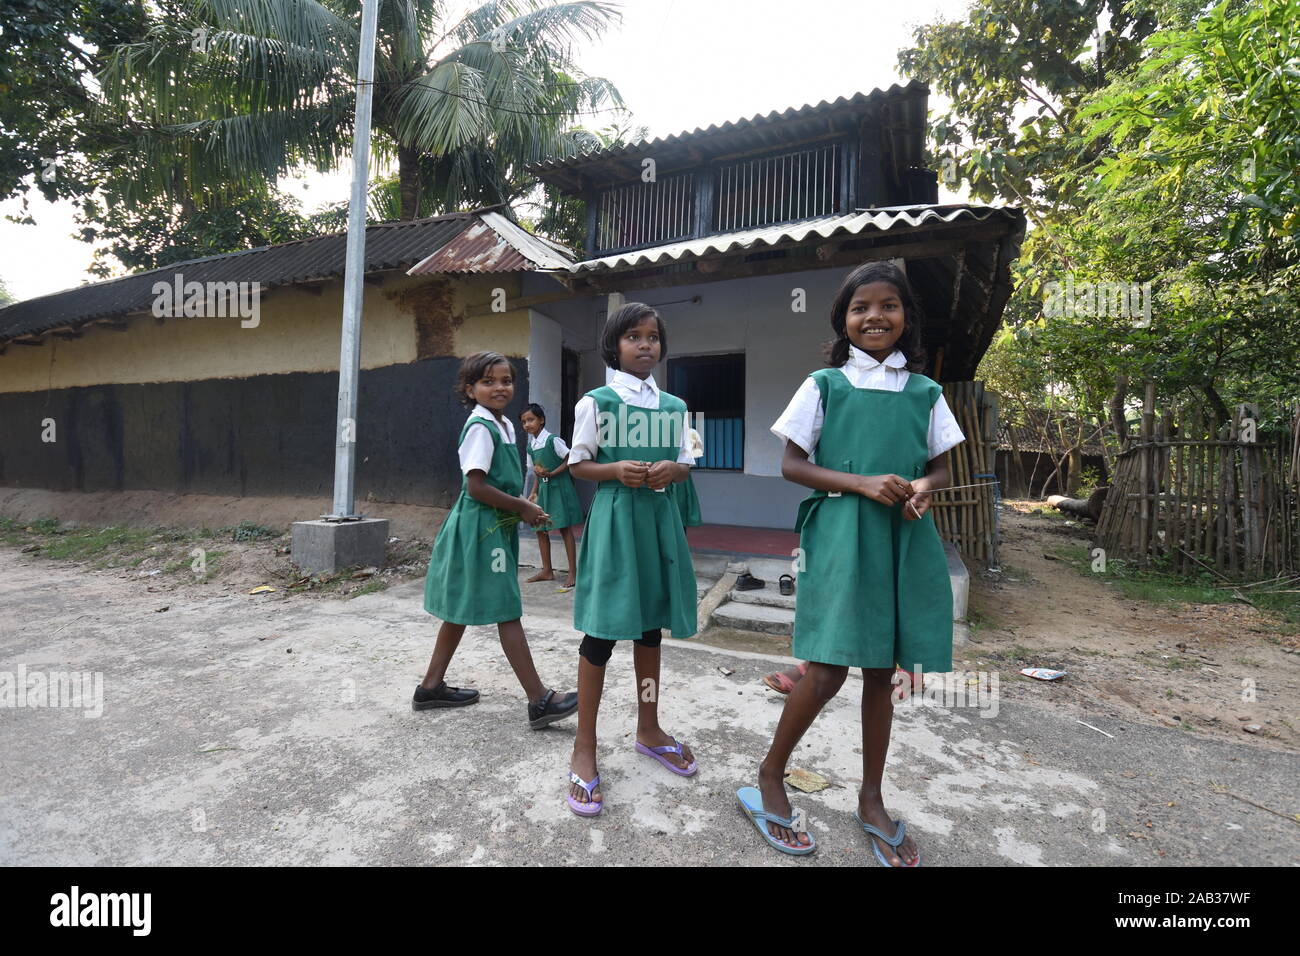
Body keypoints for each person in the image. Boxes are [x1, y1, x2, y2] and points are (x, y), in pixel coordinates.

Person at [738, 262, 965, 863]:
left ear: (905, 318)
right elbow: (792, 464)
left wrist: (923, 484)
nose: (875, 316)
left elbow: (942, 465)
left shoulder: (926, 392)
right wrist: (862, 483)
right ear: (843, 319)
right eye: (860, 307)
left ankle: (871, 798)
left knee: (880, 674)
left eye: (889, 305)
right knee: (827, 668)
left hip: (903, 535)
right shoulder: (824, 385)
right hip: (841, 530)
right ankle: (769, 774)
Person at [564, 303, 699, 817]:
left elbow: (689, 462)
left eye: (653, 337)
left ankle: (648, 727)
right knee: (601, 632)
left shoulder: (678, 405)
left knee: (649, 630)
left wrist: (672, 468)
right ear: (613, 346)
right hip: (618, 522)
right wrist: (617, 468)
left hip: (659, 521)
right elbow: (578, 463)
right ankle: (584, 745)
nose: (645, 345)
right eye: (633, 337)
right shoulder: (594, 402)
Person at [416, 351, 579, 730]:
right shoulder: (480, 427)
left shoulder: (504, 425)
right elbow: (475, 487)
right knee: (507, 607)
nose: (499, 387)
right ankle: (539, 700)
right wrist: (522, 506)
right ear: (470, 389)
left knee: (461, 607)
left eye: (506, 380)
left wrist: (523, 506)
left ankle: (430, 687)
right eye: (488, 381)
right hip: (480, 529)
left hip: (493, 526)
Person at [520, 403, 582, 590]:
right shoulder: (531, 446)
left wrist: (554, 473)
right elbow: (538, 472)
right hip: (545, 491)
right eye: (523, 422)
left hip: (559, 488)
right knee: (540, 527)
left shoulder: (553, 440)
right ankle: (547, 570)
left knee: (563, 528)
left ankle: (573, 571)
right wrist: (534, 491)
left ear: (541, 420)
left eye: (530, 420)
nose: (527, 425)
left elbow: (570, 458)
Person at [666, 426, 703, 527]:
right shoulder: (690, 433)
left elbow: (695, 453)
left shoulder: (690, 433)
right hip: (669, 474)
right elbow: (696, 453)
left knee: (679, 510)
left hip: (679, 474)